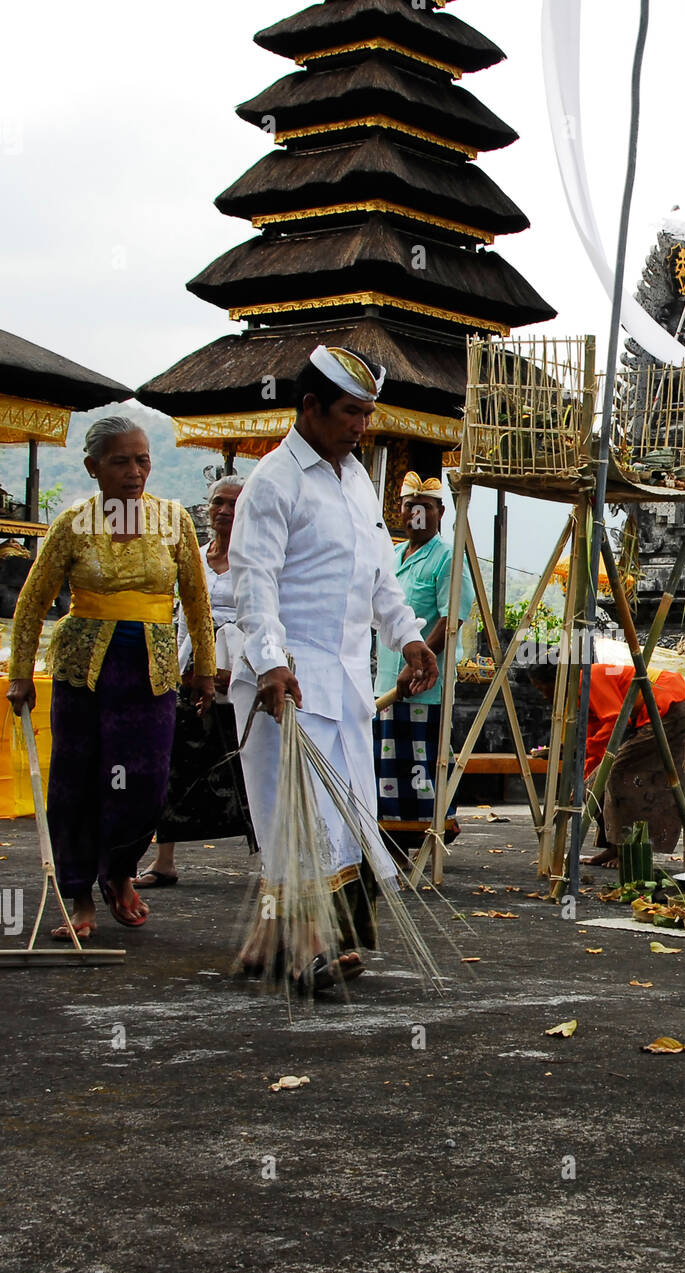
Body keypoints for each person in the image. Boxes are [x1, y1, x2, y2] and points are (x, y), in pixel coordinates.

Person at [228, 345, 438, 991]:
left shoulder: (355, 482)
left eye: (367, 414)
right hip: (284, 678)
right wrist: (268, 662)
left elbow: (380, 579)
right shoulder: (273, 482)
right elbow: (252, 582)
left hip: (345, 678)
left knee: (344, 811)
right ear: (312, 406)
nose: (360, 427)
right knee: (297, 815)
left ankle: (278, 944)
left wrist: (408, 639)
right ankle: (306, 947)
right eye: (350, 412)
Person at [5, 417, 215, 937]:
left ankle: (119, 873)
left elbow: (196, 600)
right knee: (76, 783)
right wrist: (19, 673)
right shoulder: (74, 523)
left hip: (153, 674)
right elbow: (33, 601)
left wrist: (204, 670)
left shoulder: (173, 520)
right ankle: (79, 898)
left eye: (142, 459)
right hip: (83, 673)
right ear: (92, 467)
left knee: (142, 783)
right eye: (120, 461)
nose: (134, 471)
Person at [136, 477, 255, 889]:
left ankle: (269, 866)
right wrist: (179, 667)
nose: (224, 511)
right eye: (217, 503)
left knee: (249, 765)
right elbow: (184, 616)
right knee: (177, 761)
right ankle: (164, 859)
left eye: (234, 504)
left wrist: (236, 668)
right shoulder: (195, 557)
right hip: (192, 668)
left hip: (242, 671)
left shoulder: (255, 559)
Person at [374, 471, 475, 854]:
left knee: (421, 764)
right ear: (399, 511)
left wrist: (417, 662)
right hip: (385, 677)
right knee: (387, 765)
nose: (416, 513)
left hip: (423, 683)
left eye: (425, 507)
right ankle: (392, 841)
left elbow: (452, 619)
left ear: (440, 512)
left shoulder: (448, 557)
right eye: (409, 506)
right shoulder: (393, 556)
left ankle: (427, 835)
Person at [527, 657, 685, 867]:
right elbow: (594, 743)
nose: (544, 696)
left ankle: (623, 848)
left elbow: (614, 720)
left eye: (543, 689)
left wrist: (592, 782)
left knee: (617, 775)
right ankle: (615, 847)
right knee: (605, 779)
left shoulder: (588, 678)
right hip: (671, 705)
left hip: (671, 704)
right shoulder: (580, 694)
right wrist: (586, 783)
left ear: (557, 682)